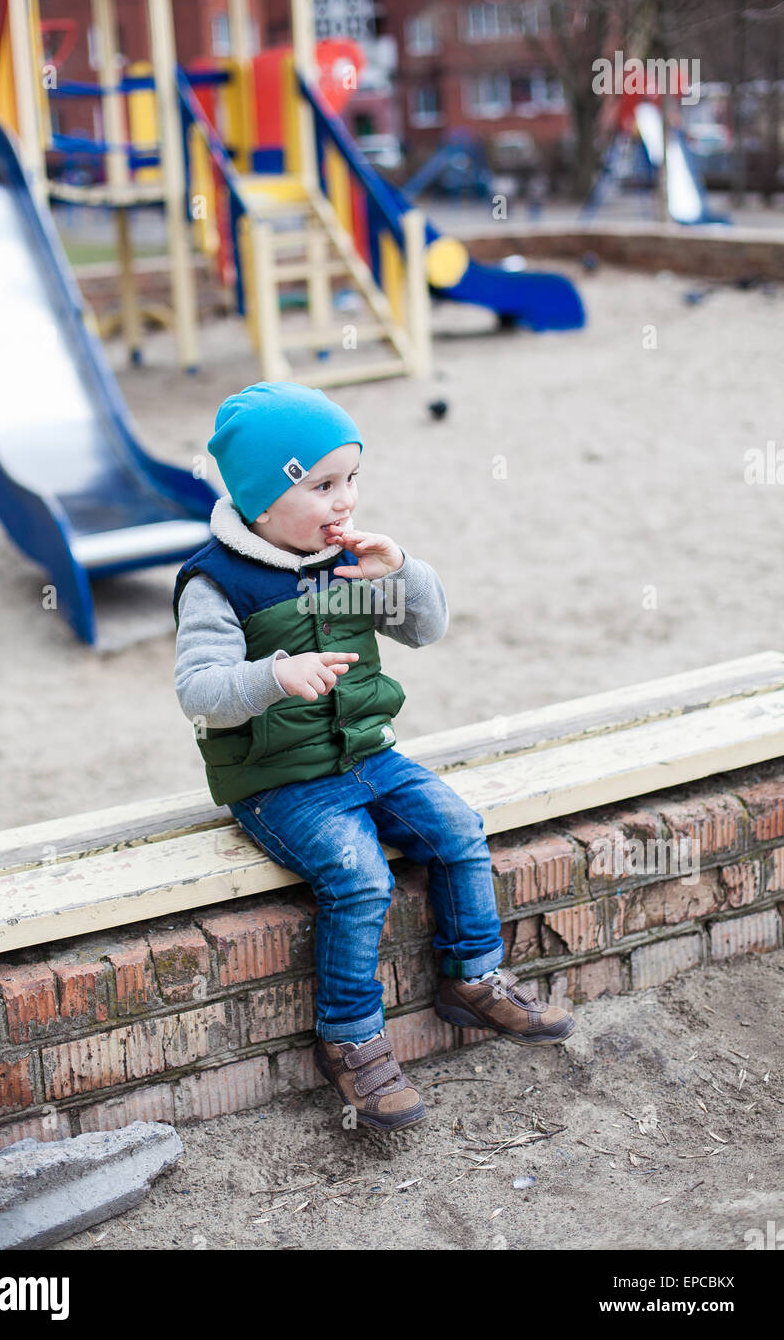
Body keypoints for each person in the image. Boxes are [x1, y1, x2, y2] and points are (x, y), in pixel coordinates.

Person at [173, 382, 574, 1133]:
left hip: (369, 755)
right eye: (322, 485)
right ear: (262, 498)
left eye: (352, 479)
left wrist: (403, 572)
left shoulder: (346, 559)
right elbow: (198, 691)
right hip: (279, 780)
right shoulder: (217, 583)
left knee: (458, 827)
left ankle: (472, 977)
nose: (345, 500)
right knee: (359, 877)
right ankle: (351, 1040)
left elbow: (426, 630)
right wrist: (272, 676)